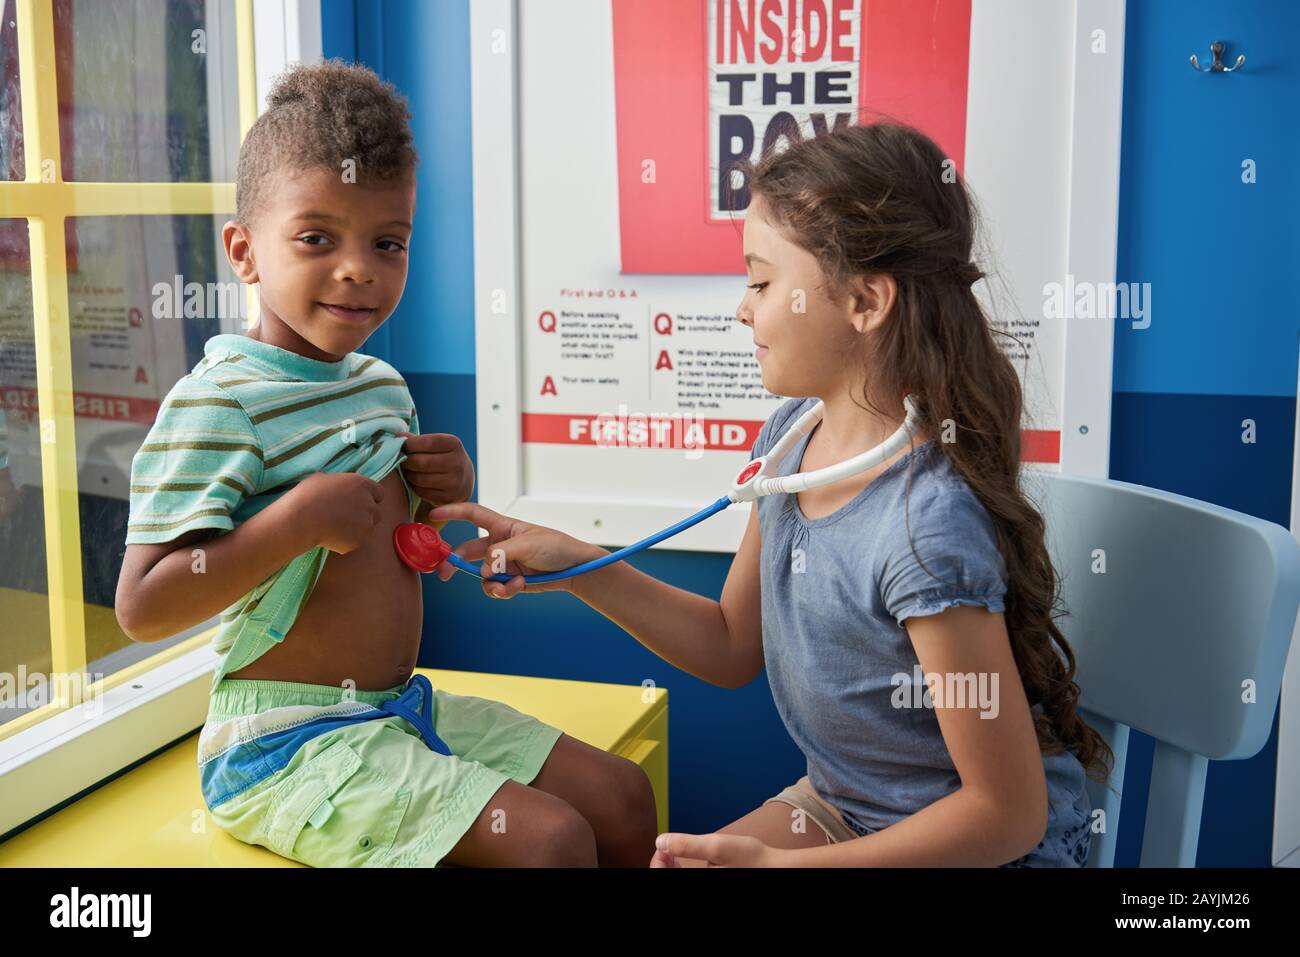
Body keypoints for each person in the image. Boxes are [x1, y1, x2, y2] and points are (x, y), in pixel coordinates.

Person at [432, 121, 1113, 867]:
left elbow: (1006, 814)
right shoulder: (793, 437)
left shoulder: (927, 532)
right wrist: (578, 563)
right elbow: (730, 643)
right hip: (848, 806)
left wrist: (780, 867)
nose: (742, 308)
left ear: (865, 300)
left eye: (761, 281)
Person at [114, 60, 656, 868]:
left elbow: (401, 547)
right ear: (244, 251)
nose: (358, 267)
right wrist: (293, 523)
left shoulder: (379, 386)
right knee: (551, 844)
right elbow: (143, 605)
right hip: (281, 743)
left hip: (393, 705)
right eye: (315, 238)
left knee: (621, 795)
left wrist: (446, 496)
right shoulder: (221, 402)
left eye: (387, 241)